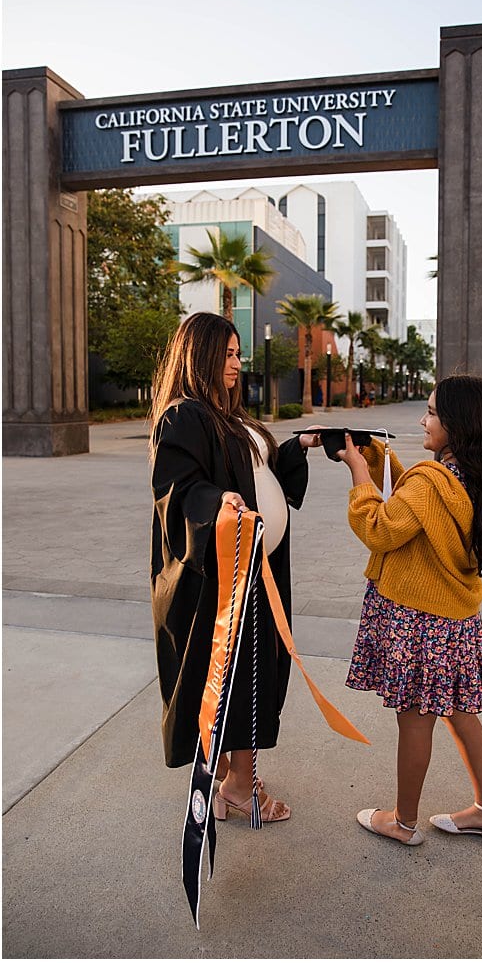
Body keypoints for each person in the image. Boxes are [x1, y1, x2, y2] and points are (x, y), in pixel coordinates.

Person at [340, 376, 482, 844]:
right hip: (455, 622)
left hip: (417, 621)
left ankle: (402, 822)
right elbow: (418, 501)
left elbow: (382, 527)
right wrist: (377, 459)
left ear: (456, 423)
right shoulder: (474, 477)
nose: (423, 421)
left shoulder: (430, 483)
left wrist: (360, 477)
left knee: (415, 719)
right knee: (461, 712)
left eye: (431, 413)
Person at [149, 313, 314, 820]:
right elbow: (178, 489)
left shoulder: (227, 415)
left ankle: (230, 772)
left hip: (256, 568)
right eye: (228, 354)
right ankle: (242, 789)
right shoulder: (183, 417)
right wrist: (218, 501)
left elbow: (258, 469)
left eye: (239, 354)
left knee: (251, 672)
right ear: (199, 355)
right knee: (238, 674)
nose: (237, 364)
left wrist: (299, 446)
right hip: (222, 578)